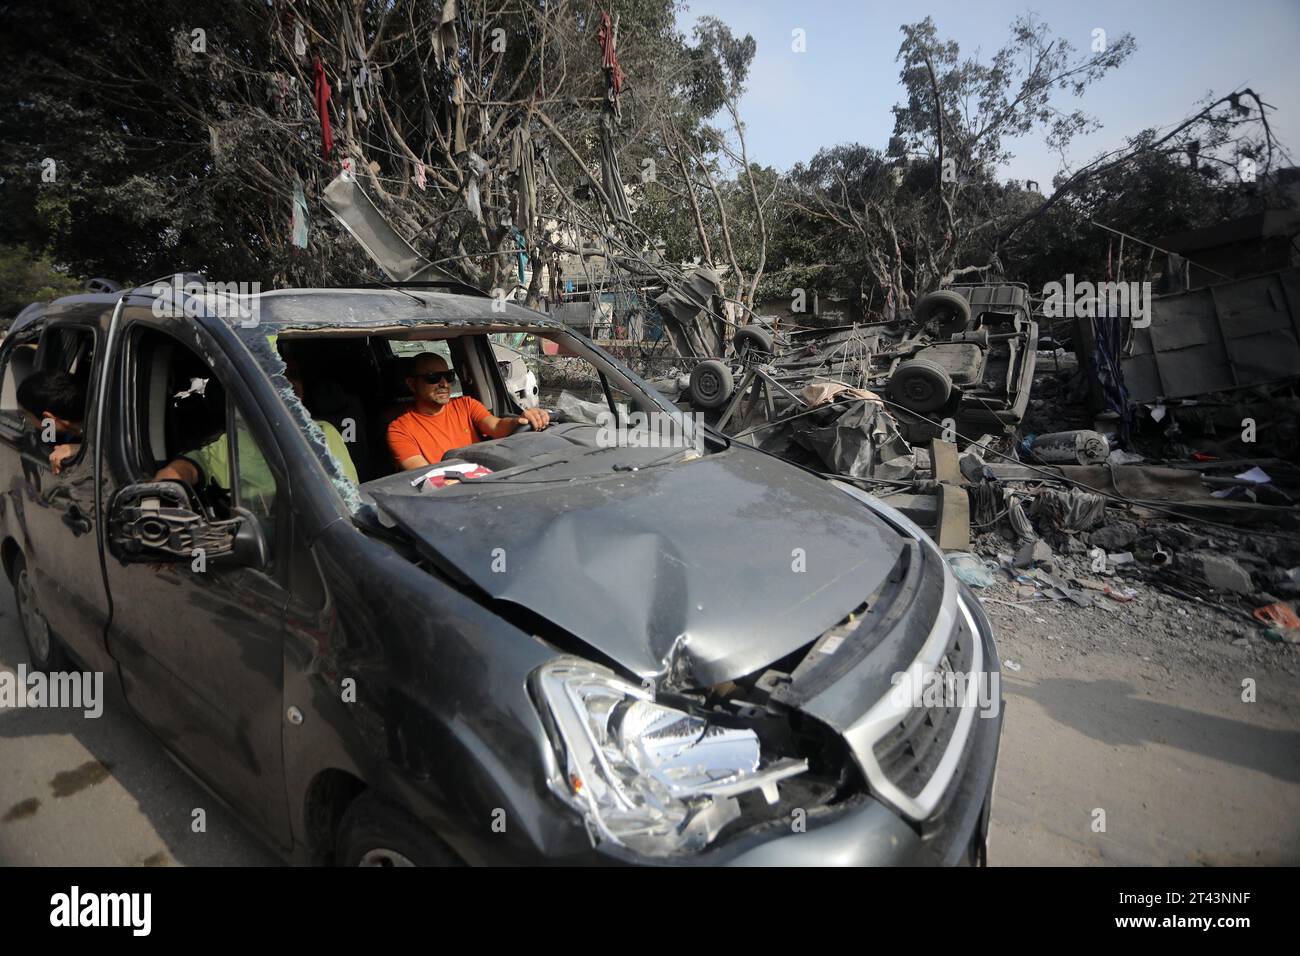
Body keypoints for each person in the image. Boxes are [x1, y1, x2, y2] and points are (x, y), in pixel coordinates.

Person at [155, 360, 358, 495]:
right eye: (276, 376)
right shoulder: (238, 441)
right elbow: (190, 467)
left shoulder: (323, 432)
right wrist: (169, 486)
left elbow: (349, 497)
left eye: (294, 375)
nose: (289, 384)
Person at [387, 353, 549, 471]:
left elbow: (496, 426)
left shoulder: (466, 405)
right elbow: (426, 475)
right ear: (411, 384)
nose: (444, 383)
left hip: (493, 479)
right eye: (432, 377)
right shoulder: (399, 430)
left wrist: (518, 421)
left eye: (448, 376)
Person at [16, 370, 85, 475]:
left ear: (47, 418)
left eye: (27, 415)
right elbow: (48, 438)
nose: (26, 420)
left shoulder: (109, 431)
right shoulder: (61, 433)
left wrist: (81, 449)